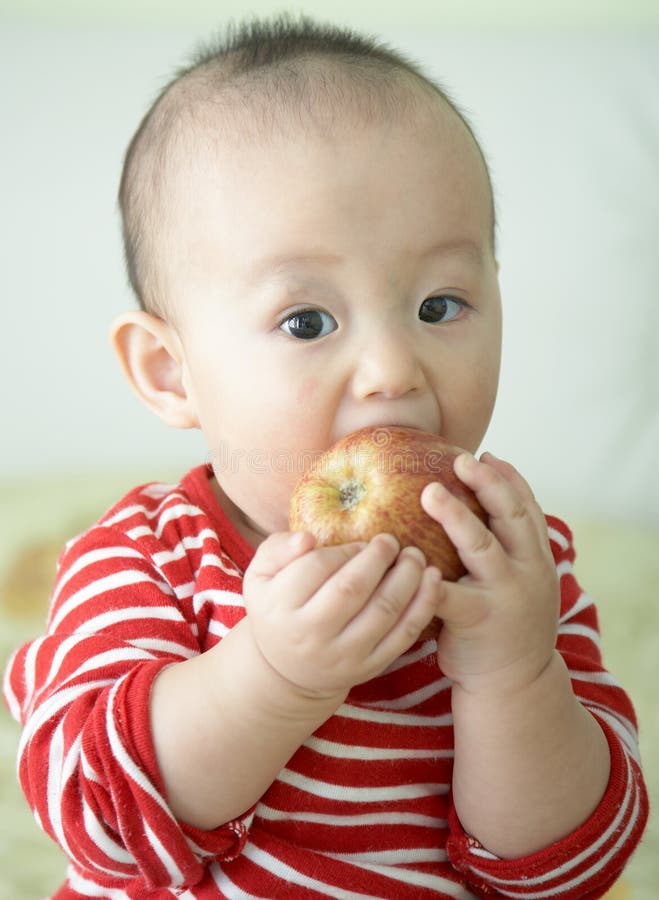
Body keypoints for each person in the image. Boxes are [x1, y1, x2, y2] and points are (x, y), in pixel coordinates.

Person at [3, 15, 648, 900]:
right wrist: (271, 678)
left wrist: (513, 671)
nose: (393, 370)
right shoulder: (141, 559)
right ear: (170, 372)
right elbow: (100, 825)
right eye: (306, 322)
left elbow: (567, 871)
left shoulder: (515, 568)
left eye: (439, 304)